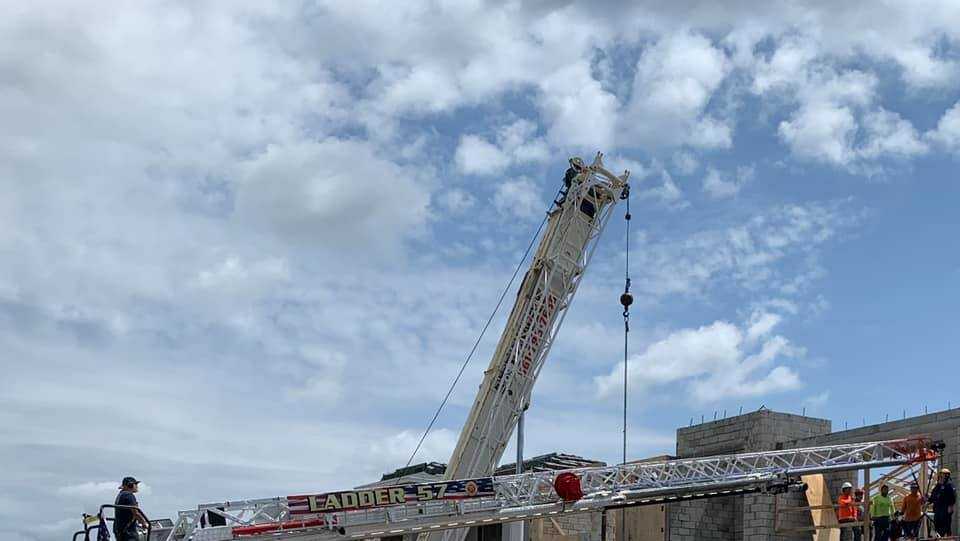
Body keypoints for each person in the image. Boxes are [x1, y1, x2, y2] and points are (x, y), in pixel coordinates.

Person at [113, 476, 148, 541]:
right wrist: (144, 523)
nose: (137, 486)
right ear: (130, 485)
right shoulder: (129, 495)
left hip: (120, 530)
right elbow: (136, 513)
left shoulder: (121, 495)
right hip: (128, 532)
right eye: (136, 484)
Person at [930, 468, 956, 537]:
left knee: (946, 526)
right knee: (936, 525)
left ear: (946, 476)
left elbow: (953, 496)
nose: (940, 478)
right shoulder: (937, 486)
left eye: (942, 476)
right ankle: (937, 536)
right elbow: (933, 496)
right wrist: (928, 500)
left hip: (945, 509)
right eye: (940, 476)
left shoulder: (949, 485)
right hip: (937, 509)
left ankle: (945, 536)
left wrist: (951, 506)